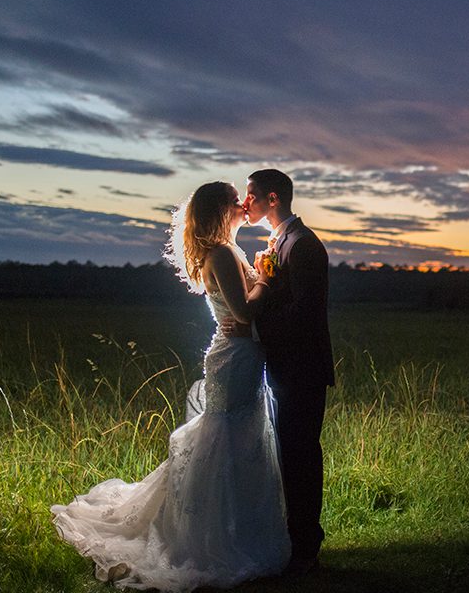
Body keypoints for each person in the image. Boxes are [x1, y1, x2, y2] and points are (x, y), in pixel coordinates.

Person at [51, 181, 290, 591]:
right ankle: (212, 535)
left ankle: (238, 527)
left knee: (240, 439)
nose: (243, 203)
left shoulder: (229, 251)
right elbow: (244, 314)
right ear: (220, 211)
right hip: (234, 358)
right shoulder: (221, 254)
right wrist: (265, 277)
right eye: (235, 200)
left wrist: (258, 274)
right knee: (228, 440)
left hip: (242, 356)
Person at [222, 168, 334, 576]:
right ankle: (290, 542)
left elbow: (305, 314)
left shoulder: (303, 246)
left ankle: (306, 550)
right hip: (282, 368)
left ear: (273, 199)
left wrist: (253, 329)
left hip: (302, 369)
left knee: (301, 456)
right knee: (287, 457)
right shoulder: (280, 241)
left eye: (251, 194)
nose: (245, 202)